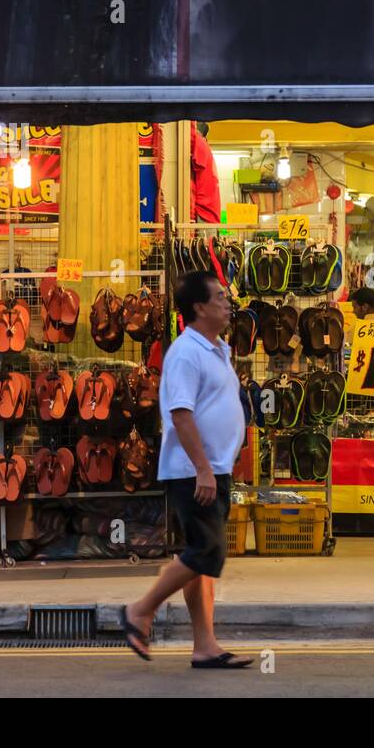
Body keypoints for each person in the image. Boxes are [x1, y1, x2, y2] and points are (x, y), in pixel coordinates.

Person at [122, 270, 252, 669]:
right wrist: (203, 470)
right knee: (206, 551)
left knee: (201, 559)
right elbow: (180, 415)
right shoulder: (185, 352)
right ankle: (140, 611)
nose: (227, 302)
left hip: (213, 467)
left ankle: (205, 645)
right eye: (219, 297)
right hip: (195, 470)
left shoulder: (216, 349)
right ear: (198, 307)